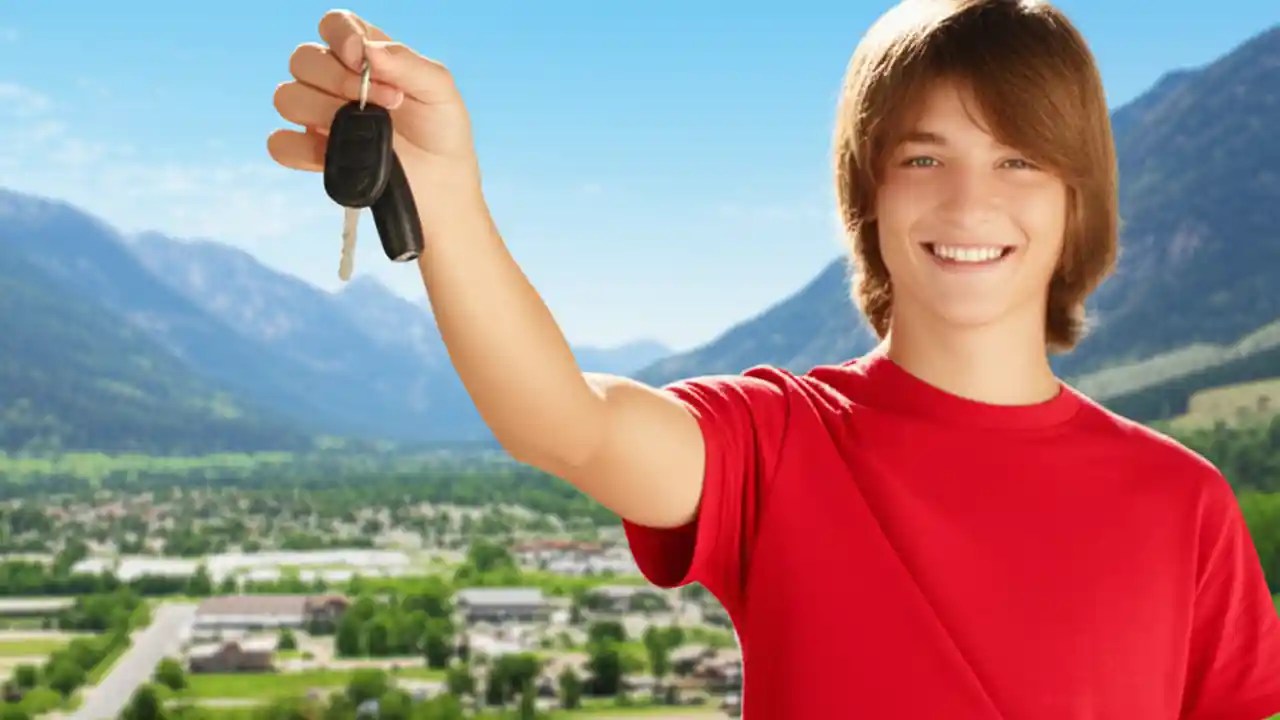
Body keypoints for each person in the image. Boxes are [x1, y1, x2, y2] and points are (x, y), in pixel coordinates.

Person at [268, 1, 1280, 716]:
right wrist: (446, 196)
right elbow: (562, 422)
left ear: (1076, 201)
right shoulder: (779, 441)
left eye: (1019, 160)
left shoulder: (1183, 505)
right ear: (866, 195)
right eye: (923, 157)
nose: (970, 202)